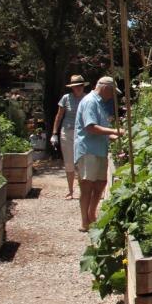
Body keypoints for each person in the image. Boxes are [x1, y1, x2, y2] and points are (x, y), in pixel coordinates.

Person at [73, 75, 122, 231]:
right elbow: (90, 127)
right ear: (105, 88)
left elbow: (101, 129)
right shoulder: (90, 102)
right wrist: (116, 131)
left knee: (100, 183)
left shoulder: (100, 103)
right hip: (88, 150)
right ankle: (84, 222)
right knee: (87, 186)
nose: (113, 96)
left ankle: (92, 215)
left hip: (99, 149)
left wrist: (115, 136)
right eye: (112, 92)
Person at [50, 75, 87, 200]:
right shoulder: (66, 98)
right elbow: (59, 116)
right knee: (69, 163)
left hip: (82, 133)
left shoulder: (87, 98)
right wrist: (54, 133)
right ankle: (70, 191)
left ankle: (83, 191)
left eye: (80, 86)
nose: (78, 88)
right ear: (72, 88)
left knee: (82, 162)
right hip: (67, 132)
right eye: (76, 86)